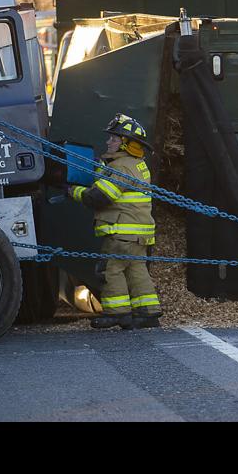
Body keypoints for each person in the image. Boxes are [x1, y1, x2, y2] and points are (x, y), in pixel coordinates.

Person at [66, 114, 162, 329]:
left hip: (121, 231)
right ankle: (148, 313)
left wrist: (72, 191)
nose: (109, 141)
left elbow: (98, 198)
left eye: (115, 139)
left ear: (127, 144)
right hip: (138, 233)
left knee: (111, 269)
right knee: (136, 270)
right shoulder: (136, 165)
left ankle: (118, 313)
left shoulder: (120, 168)